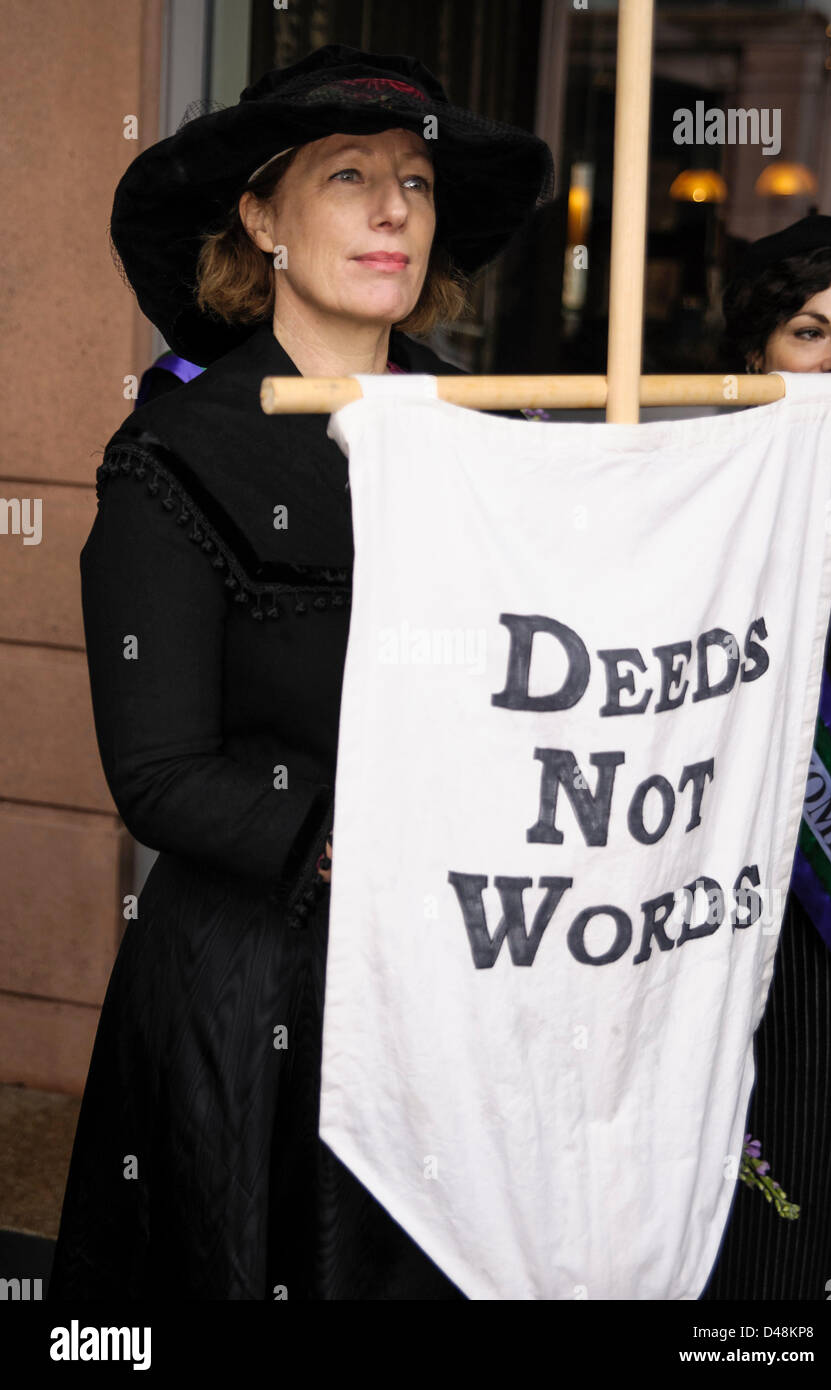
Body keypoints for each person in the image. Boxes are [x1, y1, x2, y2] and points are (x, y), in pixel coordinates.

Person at [47, 43, 553, 1301]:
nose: (395, 209)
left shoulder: (497, 434)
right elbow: (159, 774)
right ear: (262, 217)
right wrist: (368, 838)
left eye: (418, 183)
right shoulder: (175, 454)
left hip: (463, 967)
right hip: (261, 990)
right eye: (350, 176)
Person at [702, 214, 831, 1300]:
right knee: (762, 1197)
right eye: (812, 333)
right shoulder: (696, 483)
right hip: (735, 891)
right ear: (756, 351)